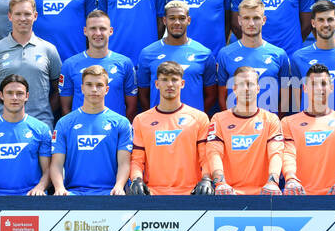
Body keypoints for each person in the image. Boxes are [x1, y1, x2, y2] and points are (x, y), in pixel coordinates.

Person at [128, 61, 213, 195]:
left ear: (182, 83)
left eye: (174, 80)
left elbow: (205, 156)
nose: (170, 84)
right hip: (153, 194)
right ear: (156, 84)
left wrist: (207, 178)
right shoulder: (141, 120)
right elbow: (137, 159)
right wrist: (136, 179)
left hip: (190, 193)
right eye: (164, 80)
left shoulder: (199, 118)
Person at [50, 65, 133, 195]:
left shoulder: (121, 123)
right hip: (73, 194)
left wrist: (119, 186)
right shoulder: (64, 123)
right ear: (82, 88)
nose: (94, 89)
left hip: (110, 193)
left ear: (107, 89)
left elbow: (124, 163)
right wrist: (59, 188)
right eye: (89, 84)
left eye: (99, 85)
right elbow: (56, 164)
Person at [0, 0, 63, 127]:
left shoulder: (49, 50)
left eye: (27, 14)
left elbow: (58, 89)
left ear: (35, 16)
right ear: (10, 16)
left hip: (41, 123)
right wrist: (5, 111)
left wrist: (45, 111)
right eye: (18, 14)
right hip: (4, 125)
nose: (23, 19)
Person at [280, 64, 335, 195]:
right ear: (305, 88)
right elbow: (288, 155)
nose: (319, 88)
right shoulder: (288, 123)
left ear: (331, 88)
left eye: (323, 83)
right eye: (313, 84)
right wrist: (290, 178)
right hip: (300, 196)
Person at [206, 67, 284, 195]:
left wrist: (272, 183)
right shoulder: (219, 119)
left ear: (258, 88)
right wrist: (220, 184)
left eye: (250, 84)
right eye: (241, 84)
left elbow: (276, 153)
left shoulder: (271, 119)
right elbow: (214, 153)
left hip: (263, 193)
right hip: (228, 194)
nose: (246, 89)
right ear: (235, 89)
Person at [215, 0, 299, 115]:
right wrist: (230, 119)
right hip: (235, 126)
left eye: (256, 18)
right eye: (246, 18)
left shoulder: (279, 54)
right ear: (239, 20)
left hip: (269, 127)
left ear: (263, 20)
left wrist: (276, 120)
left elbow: (286, 95)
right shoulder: (225, 54)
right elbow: (221, 96)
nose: (251, 23)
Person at [0, 74, 52, 196]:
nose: (14, 97)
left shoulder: (41, 129)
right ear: (1, 95)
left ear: (27, 96)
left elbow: (48, 170)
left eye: (19, 93)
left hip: (31, 196)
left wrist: (40, 188)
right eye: (9, 93)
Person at [136, 0, 217, 113]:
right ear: (164, 20)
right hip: (158, 124)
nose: (177, 22)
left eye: (182, 18)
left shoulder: (204, 53)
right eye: (172, 18)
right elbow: (143, 95)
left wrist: (196, 117)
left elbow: (211, 95)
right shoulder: (148, 53)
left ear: (188, 20)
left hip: (192, 124)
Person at [60, 10, 137, 118]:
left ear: (110, 31)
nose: (98, 33)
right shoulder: (70, 64)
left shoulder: (125, 63)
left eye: (102, 28)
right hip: (80, 130)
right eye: (93, 28)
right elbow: (65, 107)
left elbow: (132, 106)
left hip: (114, 130)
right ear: (85, 31)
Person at [291, 0, 335, 116]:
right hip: (308, 127)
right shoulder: (298, 57)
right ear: (313, 23)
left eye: (330, 19)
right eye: (321, 20)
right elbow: (294, 100)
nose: (325, 24)